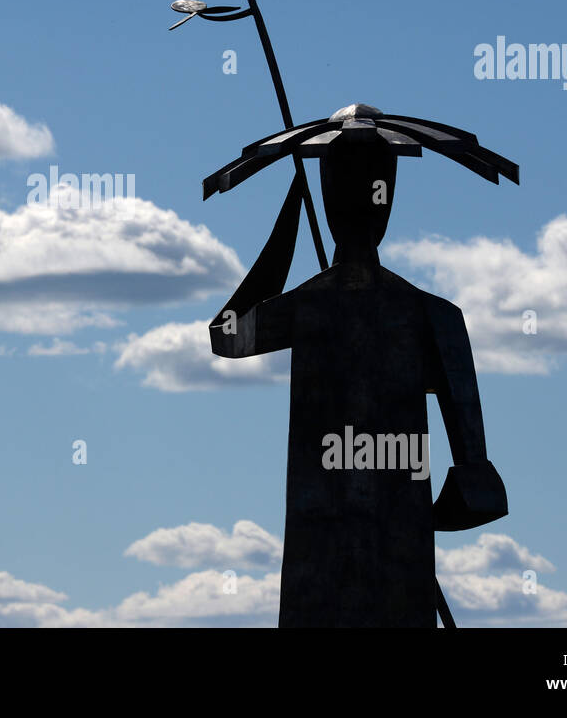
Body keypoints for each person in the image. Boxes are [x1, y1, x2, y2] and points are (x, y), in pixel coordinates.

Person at [210, 114, 508, 627]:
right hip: (397, 560)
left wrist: (286, 228)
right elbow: (477, 489)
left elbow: (226, 334)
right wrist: (412, 517)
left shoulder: (308, 306)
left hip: (319, 557)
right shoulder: (434, 316)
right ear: (386, 203)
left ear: (326, 206)